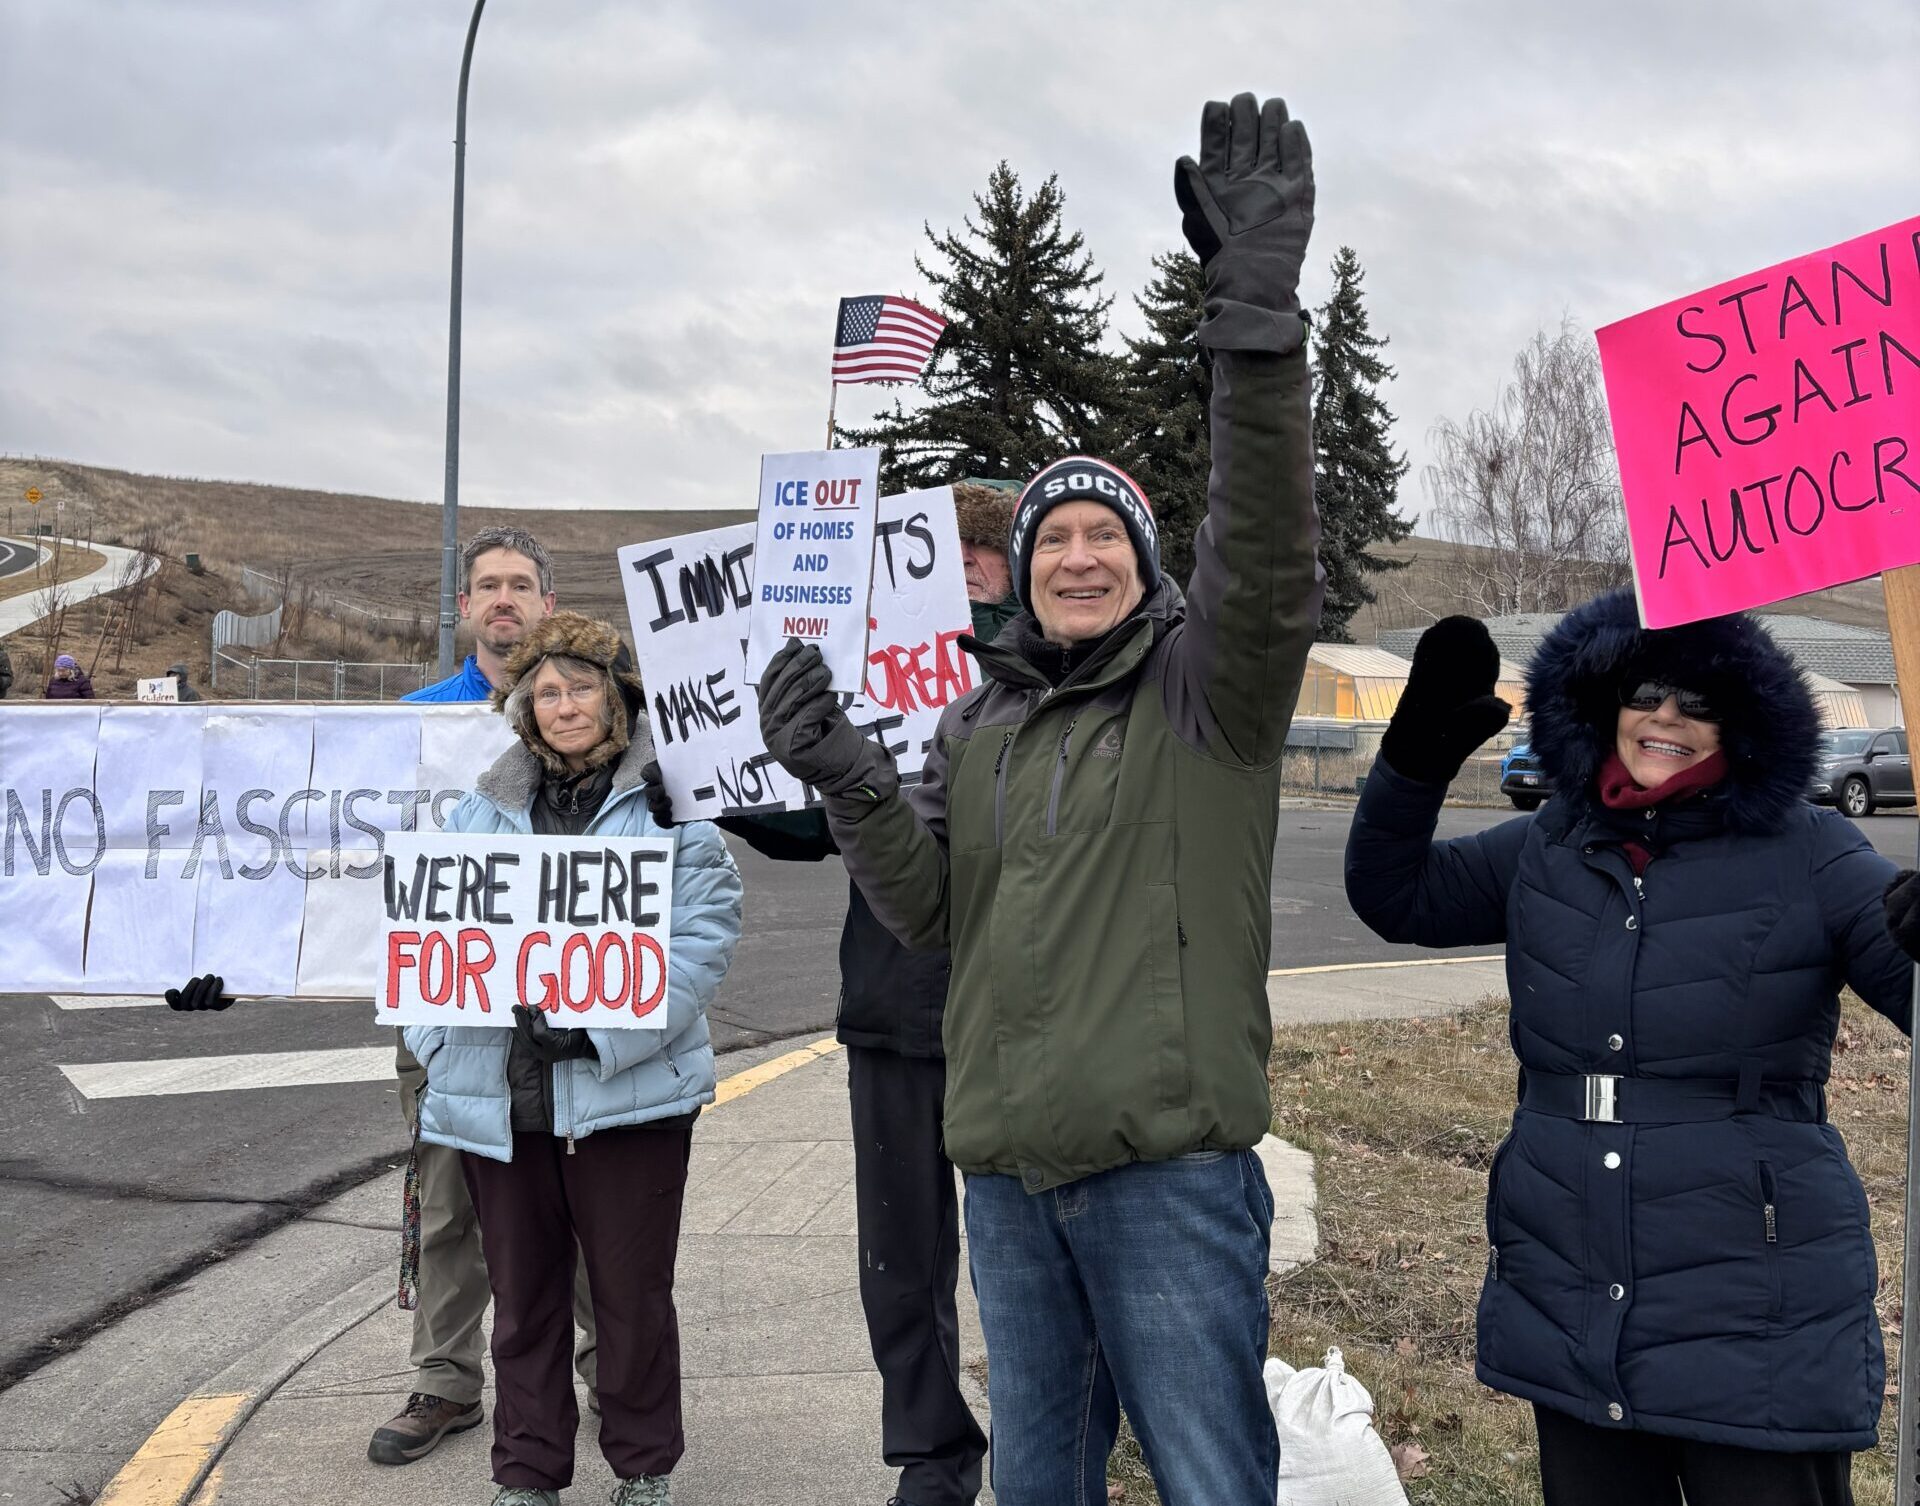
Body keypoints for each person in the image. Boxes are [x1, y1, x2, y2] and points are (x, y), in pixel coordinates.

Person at [754, 93, 1321, 1505]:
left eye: (1101, 534)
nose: (1074, 555)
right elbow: (935, 910)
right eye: (1049, 536)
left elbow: (1258, 538)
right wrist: (839, 769)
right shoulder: (981, 722)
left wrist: (1250, 317)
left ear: (1142, 562)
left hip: (1167, 1182)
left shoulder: (1210, 692)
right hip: (1007, 1182)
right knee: (1039, 1485)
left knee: (1207, 1478)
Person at [1343, 598, 1913, 1506]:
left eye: (1701, 700)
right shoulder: (1550, 843)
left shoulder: (1813, 853)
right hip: (1573, 1283)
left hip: (1754, 1308)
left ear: (1747, 720)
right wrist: (1414, 760)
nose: (1667, 718)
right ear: (1603, 702)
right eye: (1647, 691)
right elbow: (1396, 894)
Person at [169, 524, 603, 1467]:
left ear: (548, 605)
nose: (503, 600)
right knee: (450, 1203)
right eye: (486, 584)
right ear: (462, 607)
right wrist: (231, 965)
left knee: (577, 1196)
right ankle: (445, 1381)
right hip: (446, 1013)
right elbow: (327, 871)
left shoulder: (589, 718)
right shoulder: (406, 727)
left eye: (520, 585)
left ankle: (609, 1368)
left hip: (566, 1011)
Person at [643, 480, 1015, 1506]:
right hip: (893, 1011)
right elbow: (816, 823)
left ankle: (1044, 1442)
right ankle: (934, 1457)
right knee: (902, 1264)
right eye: (947, 559)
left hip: (1023, 1023)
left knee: (1029, 1266)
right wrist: (712, 783)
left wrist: (984, 633)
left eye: (976, 559)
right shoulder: (875, 676)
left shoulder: (1038, 687)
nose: (963, 578)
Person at [406, 611, 741, 1506]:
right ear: (524, 710)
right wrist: (435, 1044)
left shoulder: (674, 812)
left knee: (632, 1302)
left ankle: (643, 1468)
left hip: (625, 1101)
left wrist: (602, 1030)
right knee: (523, 1306)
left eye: (581, 687)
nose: (564, 705)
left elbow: (701, 943)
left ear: (618, 699)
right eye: (545, 692)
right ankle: (526, 1474)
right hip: (501, 1100)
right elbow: (423, 940)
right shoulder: (475, 812)